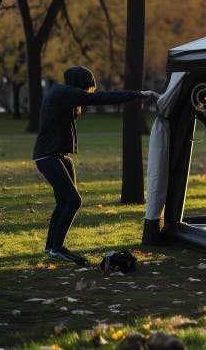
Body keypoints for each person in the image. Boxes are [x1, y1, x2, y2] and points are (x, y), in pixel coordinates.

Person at [32, 66, 159, 265]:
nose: (87, 93)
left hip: (59, 156)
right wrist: (138, 94)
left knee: (63, 202)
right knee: (73, 201)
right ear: (79, 84)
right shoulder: (62, 92)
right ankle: (55, 249)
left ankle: (52, 248)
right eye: (87, 88)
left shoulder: (64, 94)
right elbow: (100, 98)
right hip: (47, 157)